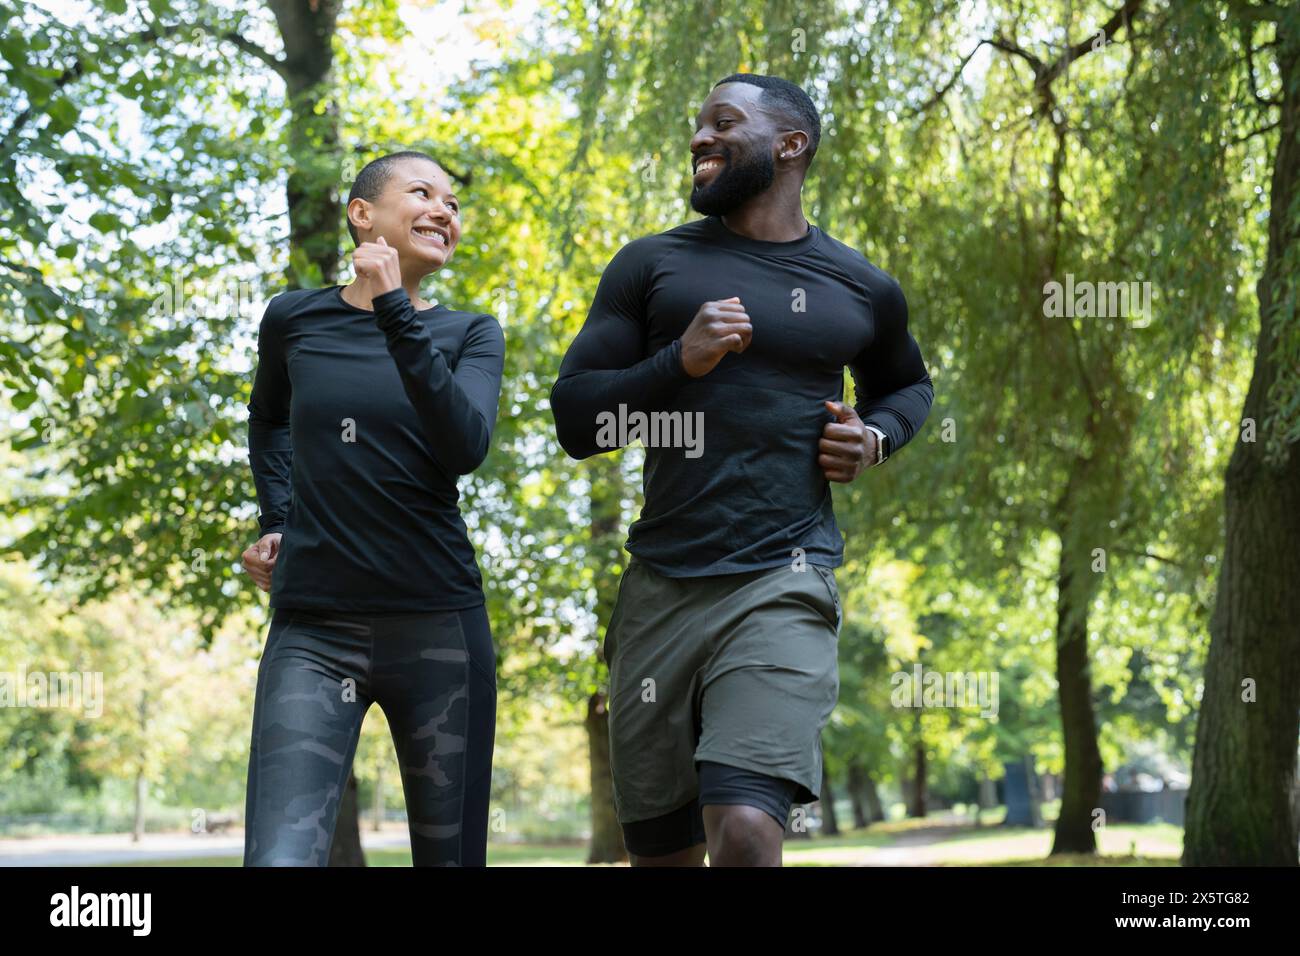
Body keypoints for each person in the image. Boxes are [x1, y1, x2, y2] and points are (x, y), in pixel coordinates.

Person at [550, 74, 934, 866]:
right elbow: (579, 423)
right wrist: (676, 363)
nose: (698, 138)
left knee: (751, 829)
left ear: (791, 146)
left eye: (724, 122)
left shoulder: (859, 285)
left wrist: (876, 437)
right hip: (661, 586)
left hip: (784, 579)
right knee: (663, 853)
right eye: (697, 125)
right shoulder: (651, 266)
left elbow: (909, 387)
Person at [239, 150, 505, 866]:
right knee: (278, 860)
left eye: (453, 203)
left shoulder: (470, 333)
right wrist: (278, 517)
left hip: (439, 627)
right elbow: (268, 420)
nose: (445, 211)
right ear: (363, 216)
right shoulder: (294, 319)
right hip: (313, 630)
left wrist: (395, 310)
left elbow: (464, 443)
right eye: (424, 193)